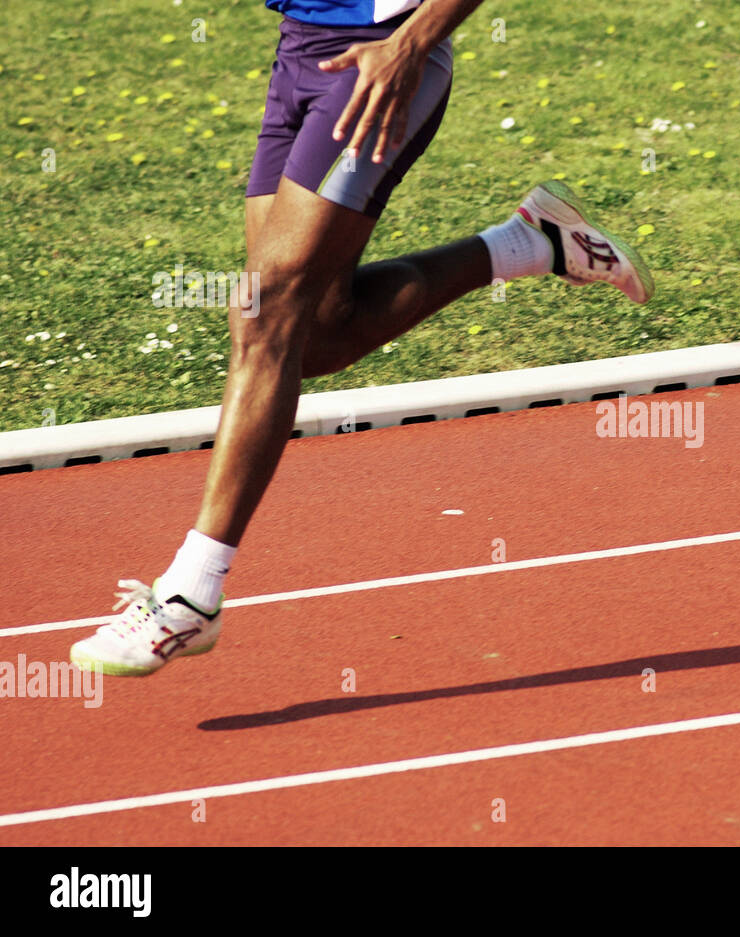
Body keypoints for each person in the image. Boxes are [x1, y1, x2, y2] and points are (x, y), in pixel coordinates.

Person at [70, 0, 652, 676]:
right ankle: (529, 243)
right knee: (313, 338)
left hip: (379, 56)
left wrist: (414, 41)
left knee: (265, 315)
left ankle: (190, 593)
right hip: (301, 49)